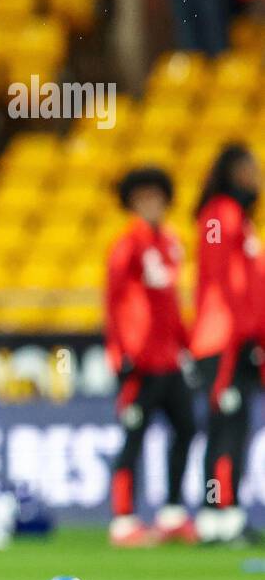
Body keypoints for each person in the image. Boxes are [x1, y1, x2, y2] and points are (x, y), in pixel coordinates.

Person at [103, 167, 199, 548]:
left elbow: (172, 305)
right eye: (143, 197)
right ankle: (124, 520)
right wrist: (119, 353)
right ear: (131, 202)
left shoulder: (171, 243)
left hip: (170, 361)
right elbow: (112, 304)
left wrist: (186, 345)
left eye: (156, 196)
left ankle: (173, 513)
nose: (151, 204)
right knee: (133, 437)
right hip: (139, 362)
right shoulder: (125, 246)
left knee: (187, 429)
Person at [189, 143, 263, 544]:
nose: (257, 177)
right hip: (223, 341)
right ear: (233, 172)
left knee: (234, 427)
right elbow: (222, 284)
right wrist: (241, 334)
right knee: (226, 428)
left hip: (239, 339)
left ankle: (225, 511)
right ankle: (217, 511)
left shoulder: (242, 221)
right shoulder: (220, 215)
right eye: (250, 170)